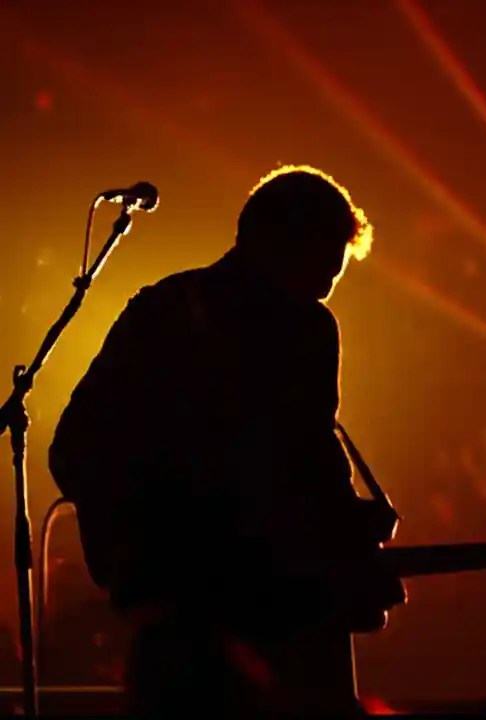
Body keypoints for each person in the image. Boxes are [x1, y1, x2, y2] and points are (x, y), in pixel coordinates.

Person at [48, 166, 405, 716]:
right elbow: (302, 473)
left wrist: (143, 551)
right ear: (280, 242)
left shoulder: (163, 306)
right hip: (255, 619)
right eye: (324, 265)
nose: (328, 284)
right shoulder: (302, 328)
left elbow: (74, 448)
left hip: (189, 622)